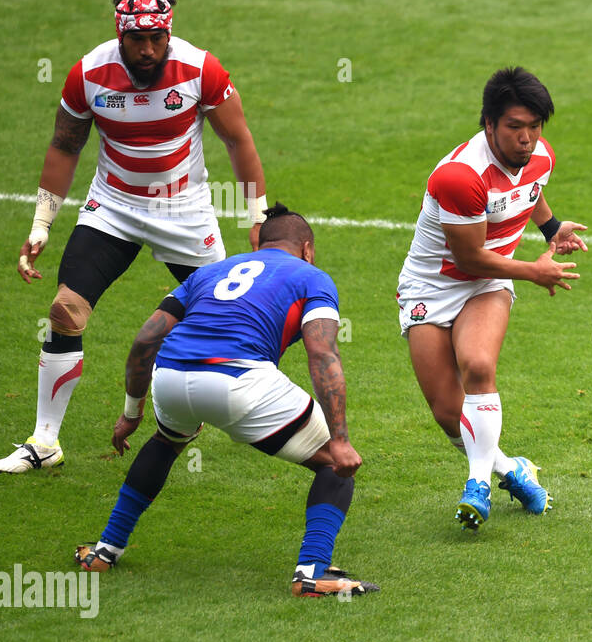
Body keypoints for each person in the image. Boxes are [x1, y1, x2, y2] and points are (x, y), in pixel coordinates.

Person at [0, 0, 268, 474]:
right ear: (119, 35)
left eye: (157, 38)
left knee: (225, 321)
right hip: (114, 207)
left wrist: (258, 214)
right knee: (66, 310)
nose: (148, 50)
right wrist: (41, 225)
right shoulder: (88, 74)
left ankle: (233, 412)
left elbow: (238, 139)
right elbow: (64, 147)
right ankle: (44, 441)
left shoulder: (202, 70)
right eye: (137, 39)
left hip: (185, 211)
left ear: (169, 32)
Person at [74, 205, 375, 597]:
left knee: (167, 440)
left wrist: (132, 412)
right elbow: (322, 354)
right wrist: (340, 438)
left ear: (260, 244)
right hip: (238, 381)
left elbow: (145, 340)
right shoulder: (311, 277)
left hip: (171, 375)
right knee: (335, 465)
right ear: (307, 249)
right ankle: (312, 573)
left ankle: (105, 551)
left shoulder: (207, 273)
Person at [397, 67, 587, 531]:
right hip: (433, 284)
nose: (527, 139)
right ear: (488, 124)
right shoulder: (460, 177)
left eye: (534, 127)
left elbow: (529, 191)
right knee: (448, 414)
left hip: (487, 284)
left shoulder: (540, 156)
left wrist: (551, 227)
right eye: (514, 127)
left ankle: (477, 485)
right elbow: (469, 257)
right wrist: (534, 271)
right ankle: (512, 468)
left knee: (478, 367)